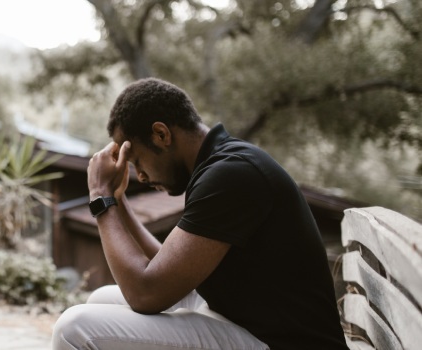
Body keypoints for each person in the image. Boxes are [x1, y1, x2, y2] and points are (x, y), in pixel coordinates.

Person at [52, 78, 348, 350]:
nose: (139, 176)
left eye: (138, 161)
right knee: (102, 299)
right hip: (245, 320)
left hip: (282, 342)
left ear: (161, 134)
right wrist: (117, 199)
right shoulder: (218, 164)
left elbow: (146, 294)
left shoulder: (231, 174)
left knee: (74, 328)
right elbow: (165, 269)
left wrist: (100, 199)